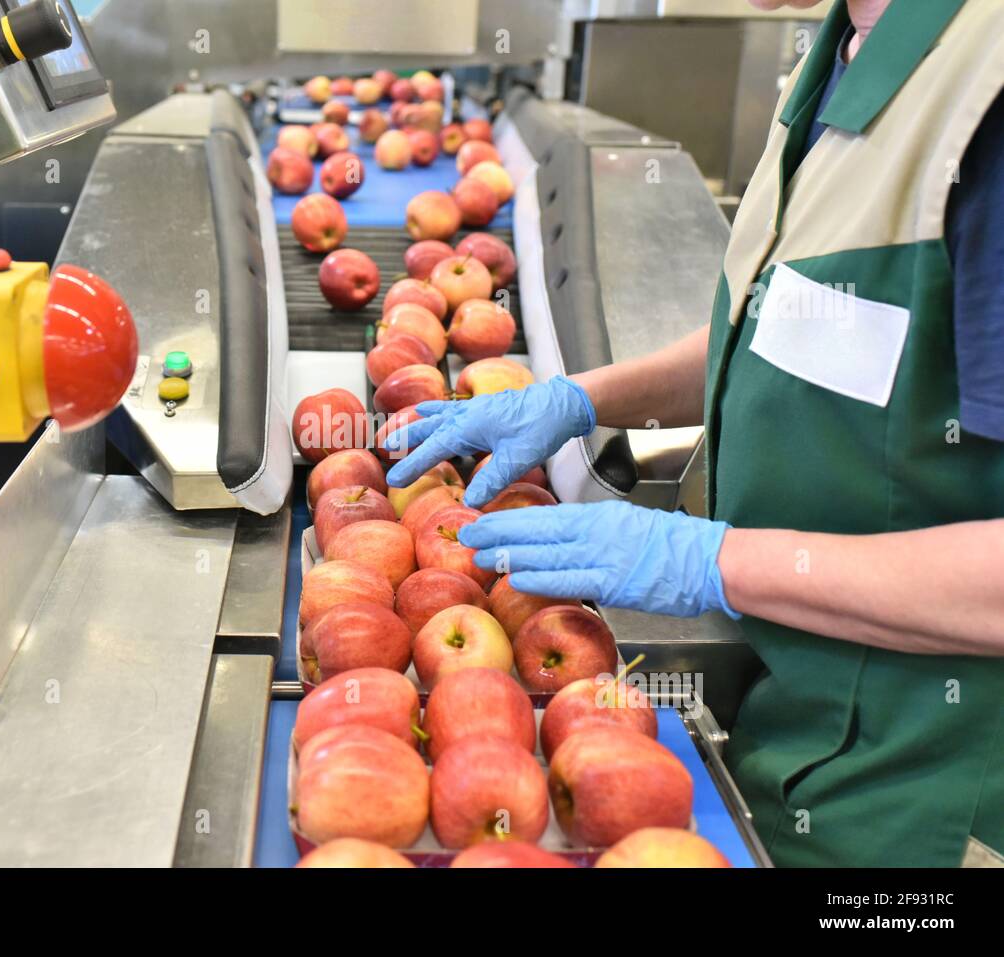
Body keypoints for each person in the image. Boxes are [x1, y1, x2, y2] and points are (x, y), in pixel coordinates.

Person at [385, 0, 1004, 867]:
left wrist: (711, 561)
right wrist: (577, 398)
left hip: (927, 811)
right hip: (793, 738)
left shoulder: (986, 92)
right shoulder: (837, 60)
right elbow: (783, 331)